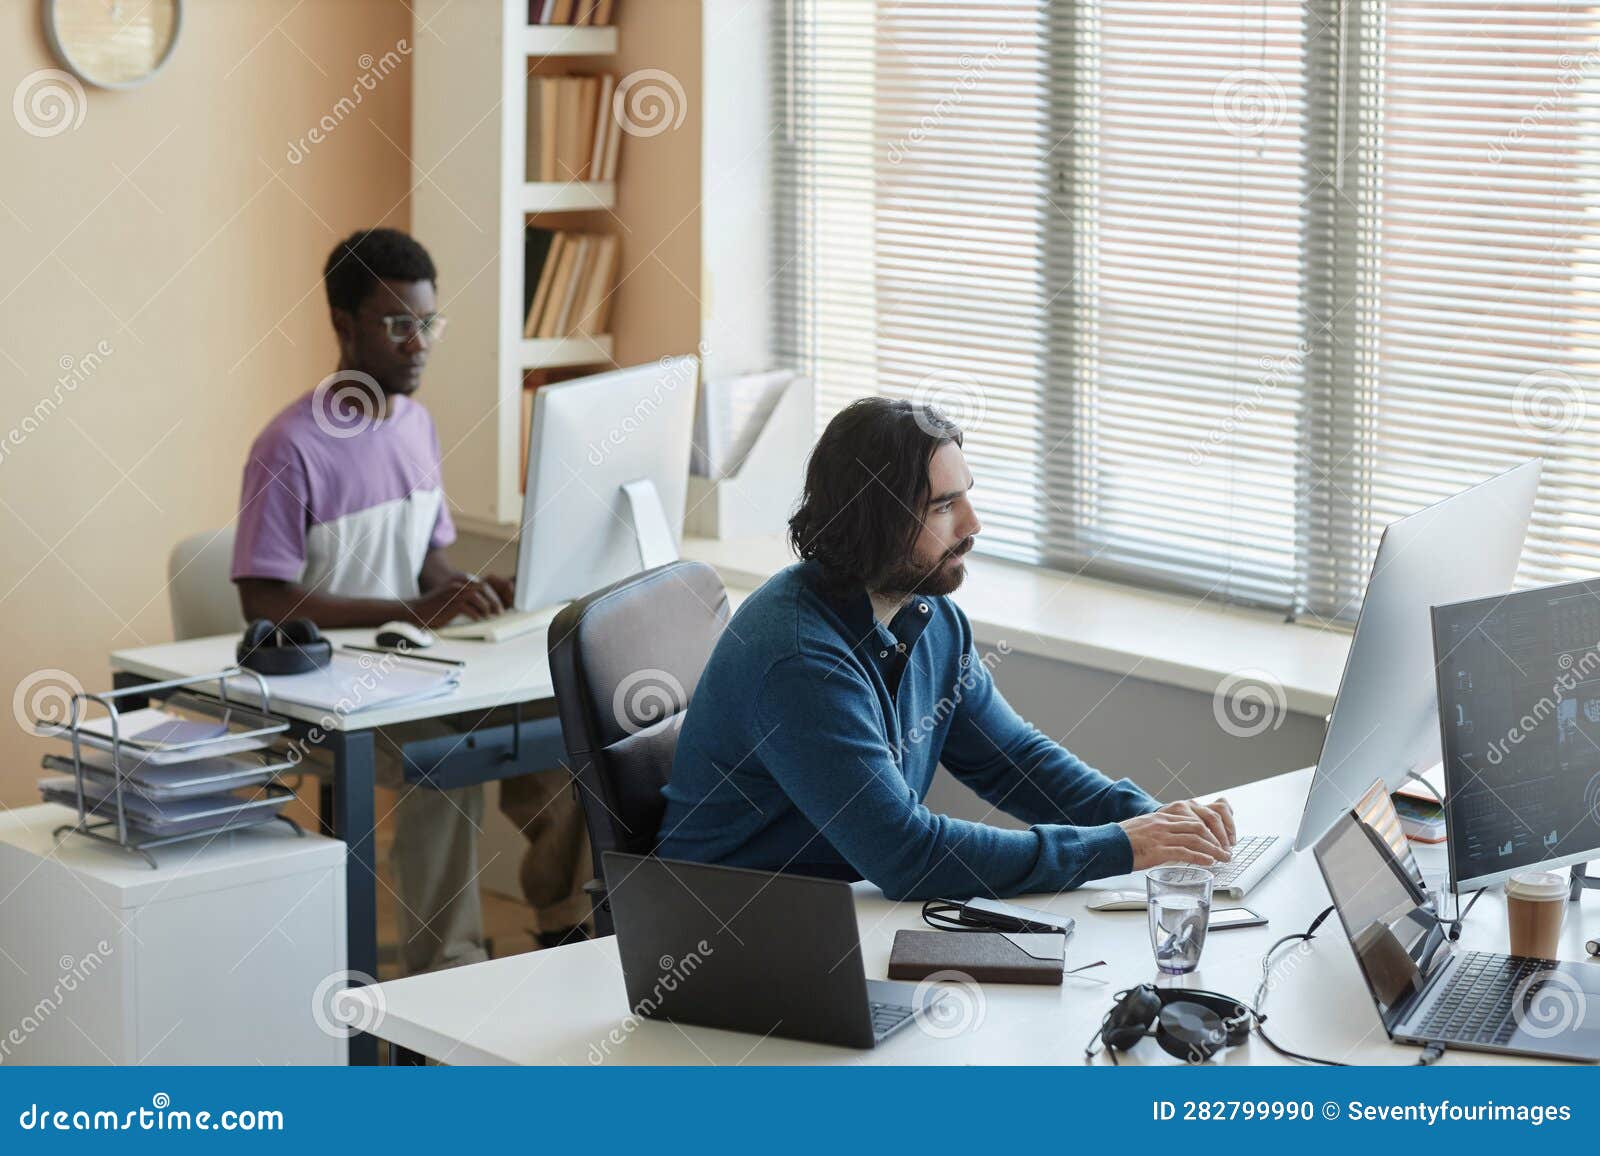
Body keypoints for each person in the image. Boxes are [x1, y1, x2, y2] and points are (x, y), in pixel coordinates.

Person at [658, 397, 1236, 900]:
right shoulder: (800, 661)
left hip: (833, 912)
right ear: (873, 519)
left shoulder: (928, 615)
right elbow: (907, 855)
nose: (973, 523)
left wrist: (1155, 820)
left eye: (967, 497)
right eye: (943, 506)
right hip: (726, 933)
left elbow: (1014, 761)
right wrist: (1119, 848)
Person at [230, 227, 591, 972]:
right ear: (343, 325)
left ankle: (563, 927)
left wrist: (455, 590)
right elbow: (263, 600)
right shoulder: (288, 446)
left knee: (570, 737)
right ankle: (444, 976)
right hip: (339, 690)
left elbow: (425, 558)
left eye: (428, 322)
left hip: (418, 668)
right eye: (398, 325)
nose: (418, 342)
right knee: (446, 763)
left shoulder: (416, 425)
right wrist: (405, 612)